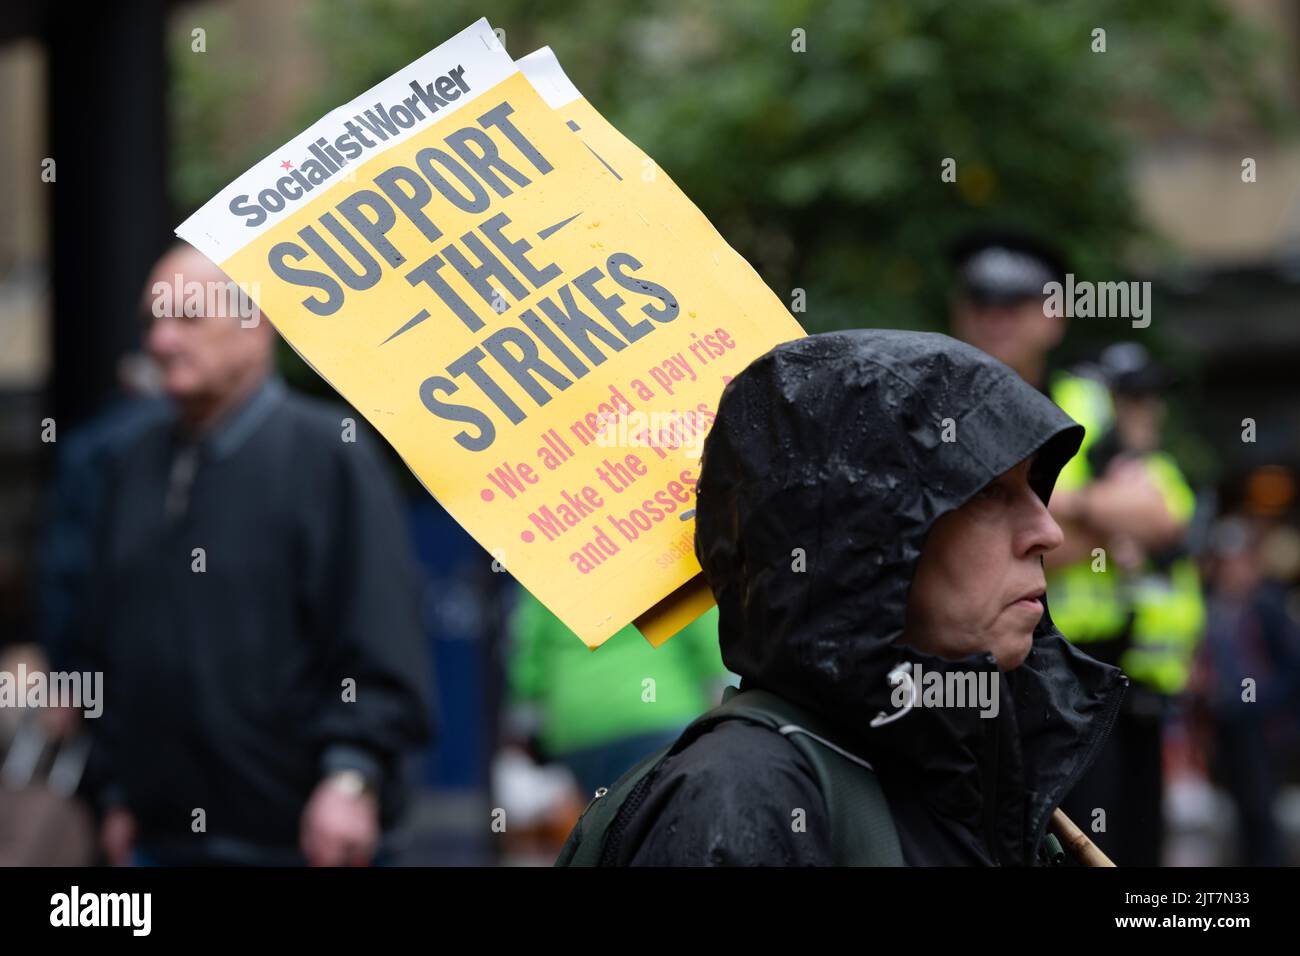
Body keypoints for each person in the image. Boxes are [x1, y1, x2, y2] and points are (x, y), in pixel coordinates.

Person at [583, 329, 1126, 866]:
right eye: (986, 492)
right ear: (864, 537)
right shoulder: (741, 796)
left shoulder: (970, 766)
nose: (1047, 532)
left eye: (1035, 489)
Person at [82, 243, 434, 866]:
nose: (161, 341)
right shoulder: (131, 465)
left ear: (257, 324)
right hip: (158, 841)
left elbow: (381, 637)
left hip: (298, 841)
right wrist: (114, 793)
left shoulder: (330, 454)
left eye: (187, 317)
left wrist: (351, 777)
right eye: (152, 321)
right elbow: (112, 639)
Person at [949, 233, 1201, 866]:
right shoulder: (944, 400)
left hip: (1105, 665)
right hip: (994, 668)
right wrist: (1096, 515)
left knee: (1131, 843)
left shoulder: (1090, 399)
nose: (996, 316)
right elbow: (956, 539)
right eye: (981, 300)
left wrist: (1045, 512)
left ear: (1054, 314)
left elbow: (1161, 514)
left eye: (1015, 301)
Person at [505, 589, 731, 798]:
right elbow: (706, 636)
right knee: (669, 823)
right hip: (661, 715)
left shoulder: (552, 563)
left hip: (580, 726)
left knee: (607, 824)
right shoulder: (657, 555)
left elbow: (529, 658)